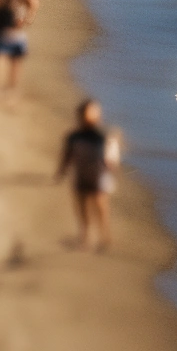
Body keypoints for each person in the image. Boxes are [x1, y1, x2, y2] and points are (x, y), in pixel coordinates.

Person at [58, 97, 121, 250]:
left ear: (98, 115)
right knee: (82, 206)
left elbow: (112, 156)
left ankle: (105, 236)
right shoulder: (74, 137)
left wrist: (112, 163)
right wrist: (61, 170)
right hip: (81, 175)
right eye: (84, 114)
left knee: (100, 205)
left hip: (100, 175)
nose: (87, 117)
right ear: (79, 116)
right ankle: (85, 236)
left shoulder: (104, 136)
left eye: (92, 113)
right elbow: (67, 155)